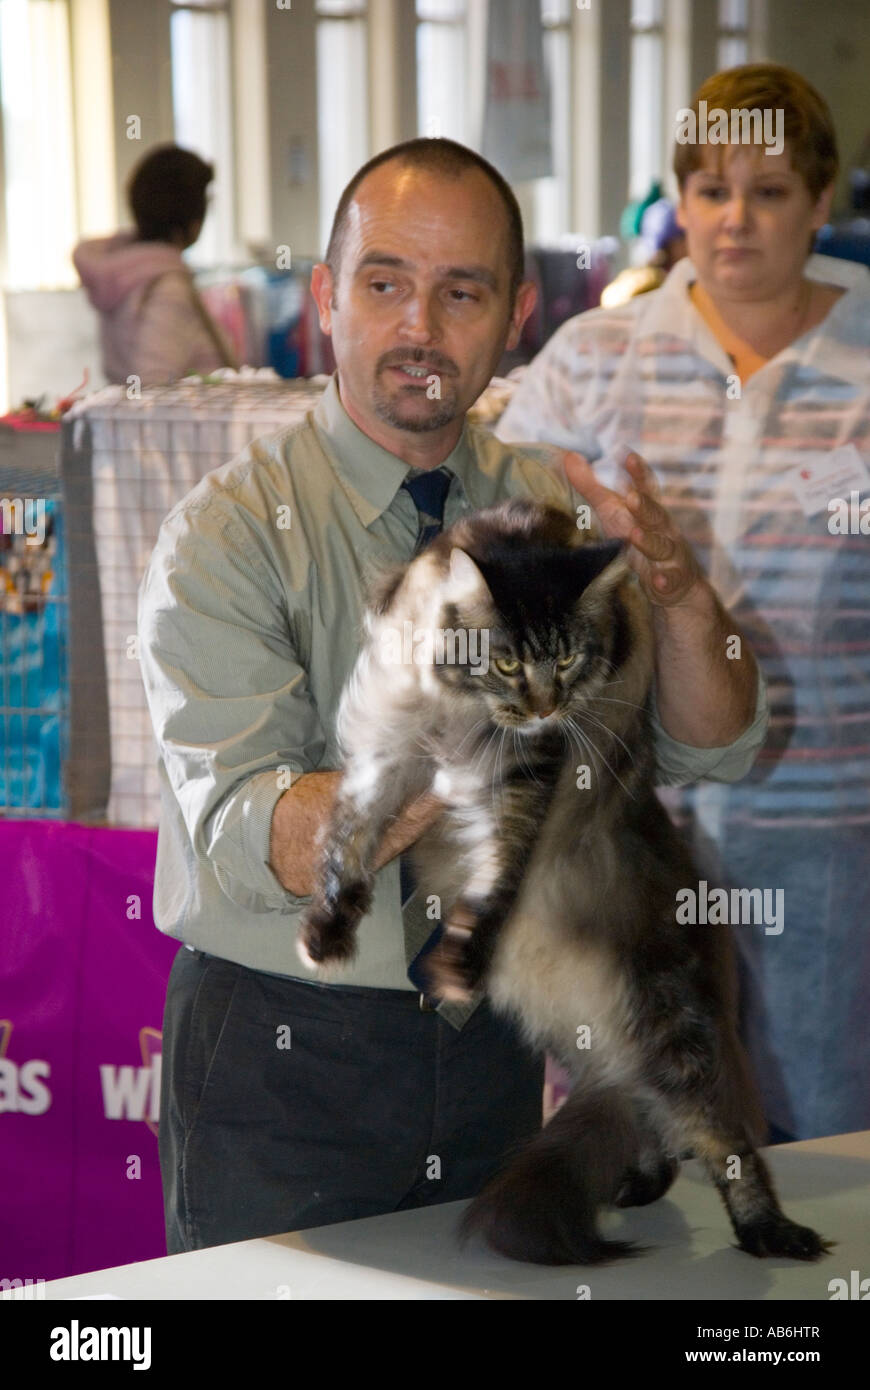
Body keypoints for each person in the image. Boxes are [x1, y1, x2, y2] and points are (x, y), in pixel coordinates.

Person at [138, 137, 769, 1254]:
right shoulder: (227, 534)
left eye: (460, 290)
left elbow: (711, 745)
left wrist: (673, 597)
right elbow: (256, 834)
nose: (420, 327)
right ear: (327, 295)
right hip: (284, 1060)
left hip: (486, 1051)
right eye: (385, 283)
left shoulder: (554, 517)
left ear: (517, 311)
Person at [497, 63, 870, 1144]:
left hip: (825, 826)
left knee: (823, 1130)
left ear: (821, 200)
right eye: (710, 189)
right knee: (632, 1123)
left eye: (769, 191)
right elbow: (512, 560)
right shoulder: (599, 359)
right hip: (628, 824)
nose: (736, 220)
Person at [73, 144, 238, 388]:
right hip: (181, 425)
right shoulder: (167, 288)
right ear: (192, 217)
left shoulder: (129, 270)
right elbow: (153, 387)